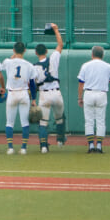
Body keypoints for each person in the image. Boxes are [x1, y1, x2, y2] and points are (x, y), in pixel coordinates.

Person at [77, 45, 110, 154]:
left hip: (89, 93)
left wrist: (79, 98)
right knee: (100, 121)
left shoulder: (85, 65)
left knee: (89, 121)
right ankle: (99, 146)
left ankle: (91, 145)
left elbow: (81, 83)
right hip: (101, 93)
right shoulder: (107, 66)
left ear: (92, 54)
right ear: (102, 55)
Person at [34, 24, 65, 152]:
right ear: (46, 52)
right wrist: (56, 30)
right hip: (56, 93)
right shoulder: (53, 58)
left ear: (36, 53)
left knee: (43, 122)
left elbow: (33, 85)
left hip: (44, 94)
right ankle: (60, 140)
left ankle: (43, 147)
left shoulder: (34, 67)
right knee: (60, 118)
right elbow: (60, 45)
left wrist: (32, 99)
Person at [0, 41, 34, 155]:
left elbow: (4, 65)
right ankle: (24, 148)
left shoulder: (8, 62)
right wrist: (33, 98)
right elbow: (33, 82)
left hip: (12, 93)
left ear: (14, 50)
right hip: (24, 93)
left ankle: (10, 148)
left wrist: (13, 56)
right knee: (25, 122)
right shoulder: (29, 65)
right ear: (24, 50)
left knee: (10, 123)